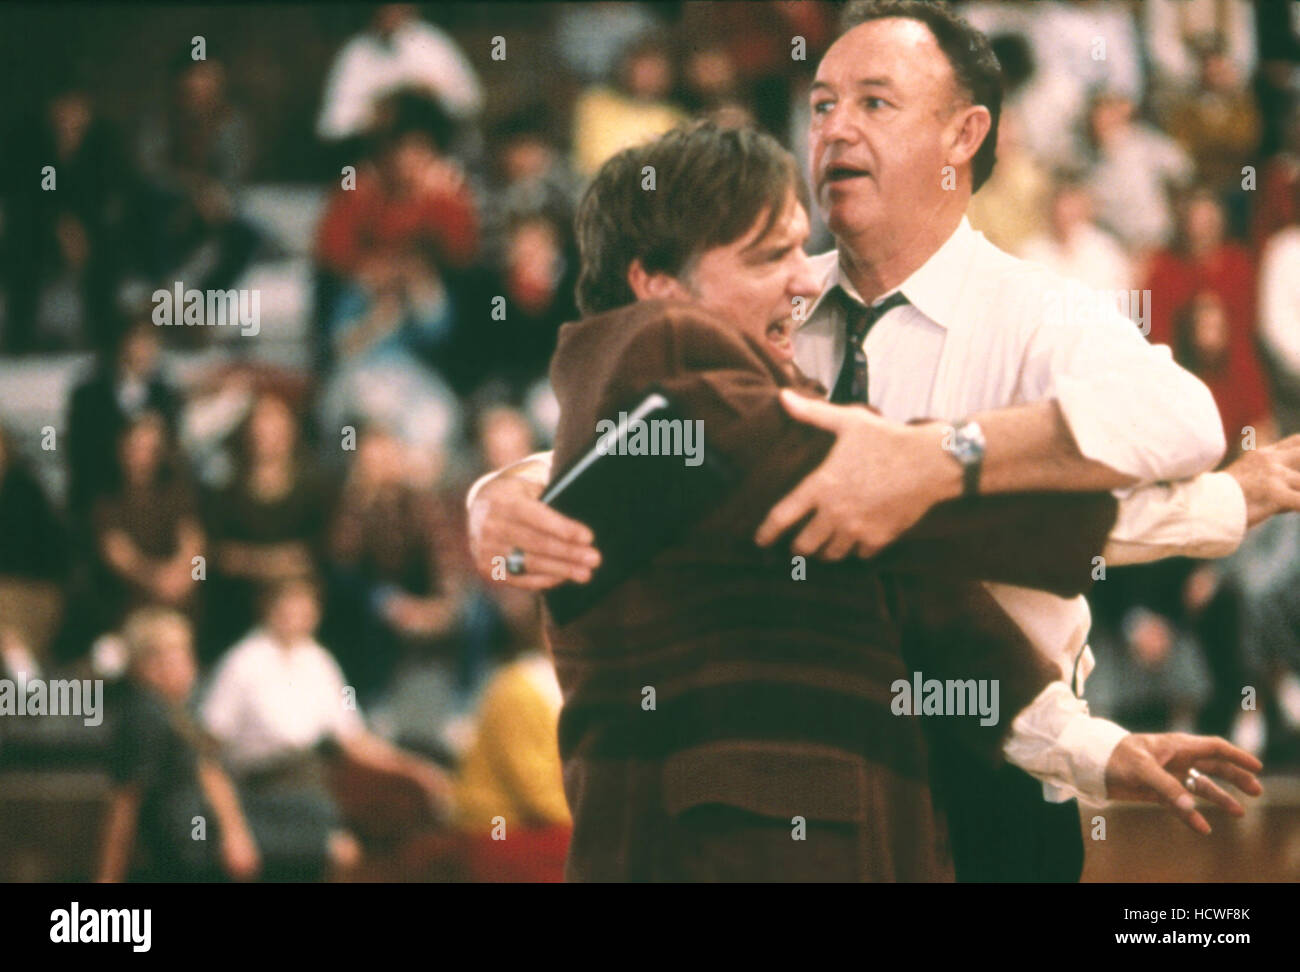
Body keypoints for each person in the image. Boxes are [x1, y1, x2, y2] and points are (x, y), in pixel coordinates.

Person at [469, 1, 1300, 882]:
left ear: (964, 133)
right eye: (823, 104)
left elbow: (1184, 422)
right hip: (801, 782)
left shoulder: (1041, 311)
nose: (835, 130)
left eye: (875, 102)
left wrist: (945, 459)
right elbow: (687, 444)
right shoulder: (764, 303)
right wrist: (501, 494)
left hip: (999, 774)